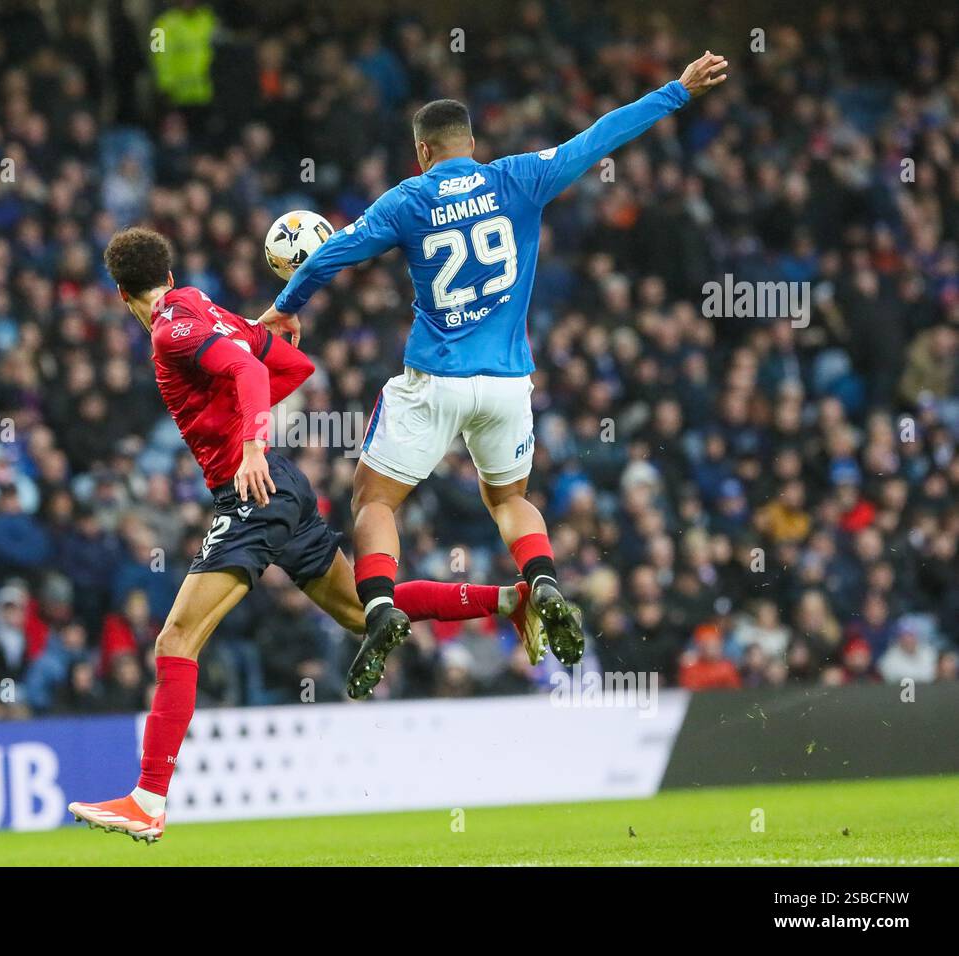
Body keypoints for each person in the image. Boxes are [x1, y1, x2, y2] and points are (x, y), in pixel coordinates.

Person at [258, 53, 730, 693]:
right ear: (472, 143)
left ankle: (379, 606)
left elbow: (334, 252)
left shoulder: (409, 200)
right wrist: (676, 91)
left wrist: (284, 309)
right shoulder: (519, 178)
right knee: (509, 498)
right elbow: (602, 136)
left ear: (423, 151)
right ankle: (542, 582)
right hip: (509, 385)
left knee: (374, 499)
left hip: (435, 380)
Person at [67, 227, 536, 842]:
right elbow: (291, 363)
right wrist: (245, 391)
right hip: (283, 489)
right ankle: (511, 599)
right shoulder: (202, 305)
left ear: (122, 292)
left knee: (175, 639)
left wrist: (250, 443)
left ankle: (149, 798)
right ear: (170, 275)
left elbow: (250, 374)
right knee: (360, 612)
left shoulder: (169, 328)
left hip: (254, 493)